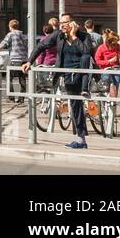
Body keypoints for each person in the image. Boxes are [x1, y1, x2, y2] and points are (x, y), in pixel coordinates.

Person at [24, 14, 94, 149]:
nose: (62, 25)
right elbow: (41, 46)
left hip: (81, 74)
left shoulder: (85, 36)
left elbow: (86, 52)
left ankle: (81, 138)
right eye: (61, 23)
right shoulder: (58, 36)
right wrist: (29, 61)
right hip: (67, 74)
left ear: (73, 24)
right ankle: (81, 138)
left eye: (65, 23)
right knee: (75, 105)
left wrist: (74, 37)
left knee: (76, 104)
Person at [0, 19, 28, 95]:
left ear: (10, 26)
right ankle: (22, 97)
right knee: (22, 78)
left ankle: (11, 96)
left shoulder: (10, 34)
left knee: (9, 78)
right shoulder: (23, 35)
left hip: (15, 59)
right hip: (24, 59)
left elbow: (3, 44)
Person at [94, 28, 120, 98]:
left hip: (116, 69)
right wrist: (109, 61)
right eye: (113, 44)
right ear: (108, 43)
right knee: (106, 80)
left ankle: (114, 100)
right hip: (105, 69)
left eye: (115, 44)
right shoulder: (101, 48)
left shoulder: (117, 46)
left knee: (116, 82)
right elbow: (97, 61)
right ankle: (105, 97)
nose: (114, 45)